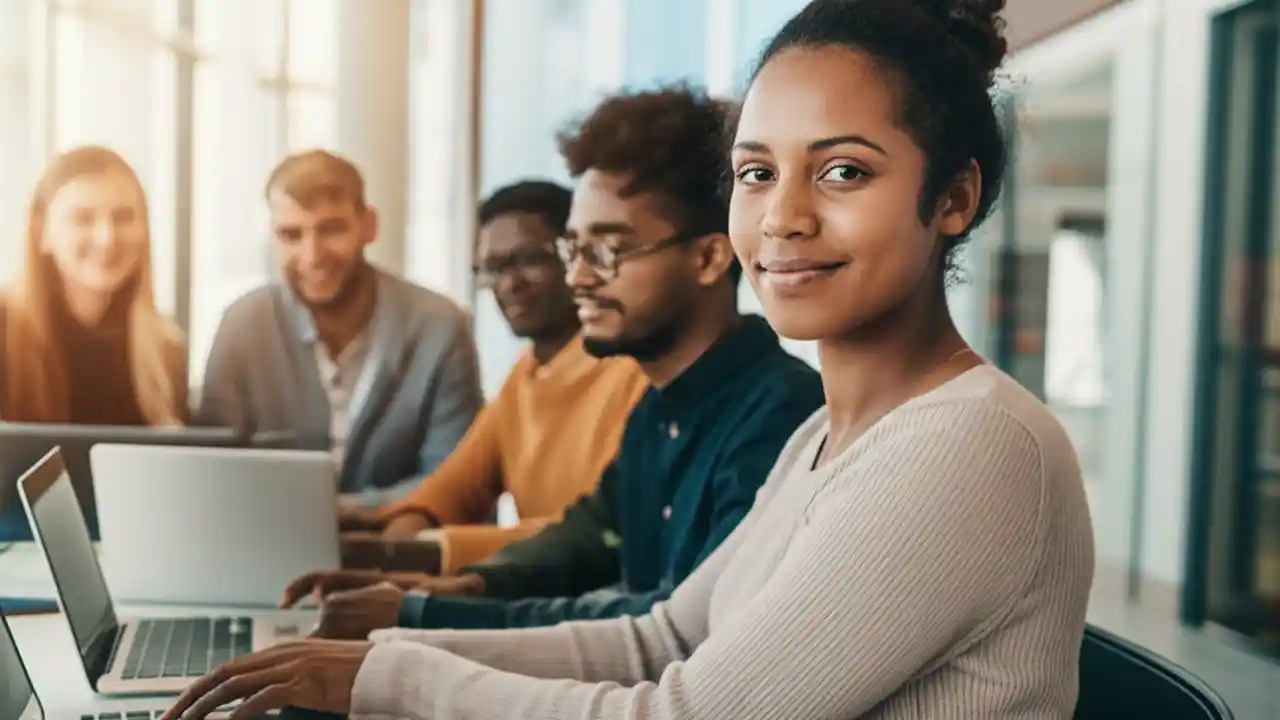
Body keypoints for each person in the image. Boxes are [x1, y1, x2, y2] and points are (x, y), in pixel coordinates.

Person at [164, 1, 1095, 716]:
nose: (783, 217)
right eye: (758, 172)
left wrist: (392, 675)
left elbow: (685, 710)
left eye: (843, 171)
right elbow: (664, 637)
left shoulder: (970, 445)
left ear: (953, 198)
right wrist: (382, 651)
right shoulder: (830, 432)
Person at [278, 86, 824, 635]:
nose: (579, 278)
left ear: (708, 257)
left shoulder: (779, 416)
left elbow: (681, 628)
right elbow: (590, 536)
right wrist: (452, 586)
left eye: (607, 251)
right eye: (573, 250)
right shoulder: (661, 409)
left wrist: (424, 610)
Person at [341, 180, 650, 574]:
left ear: (575, 257)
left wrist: (424, 548)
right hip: (526, 588)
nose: (509, 283)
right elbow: (449, 492)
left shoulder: (631, 372)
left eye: (528, 260)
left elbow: (594, 534)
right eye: (493, 267)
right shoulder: (524, 374)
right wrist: (407, 533)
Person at [196, 150, 483, 505]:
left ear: (369, 225)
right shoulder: (242, 326)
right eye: (290, 235)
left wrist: (338, 513)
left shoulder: (439, 327)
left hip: (400, 552)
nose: (312, 255)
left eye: (331, 229)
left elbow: (456, 481)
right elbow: (212, 474)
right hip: (269, 547)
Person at [0, 146, 187, 541]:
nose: (106, 238)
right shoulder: (5, 328)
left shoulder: (164, 347)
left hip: (127, 548)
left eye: (124, 218)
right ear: (42, 233)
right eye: (82, 218)